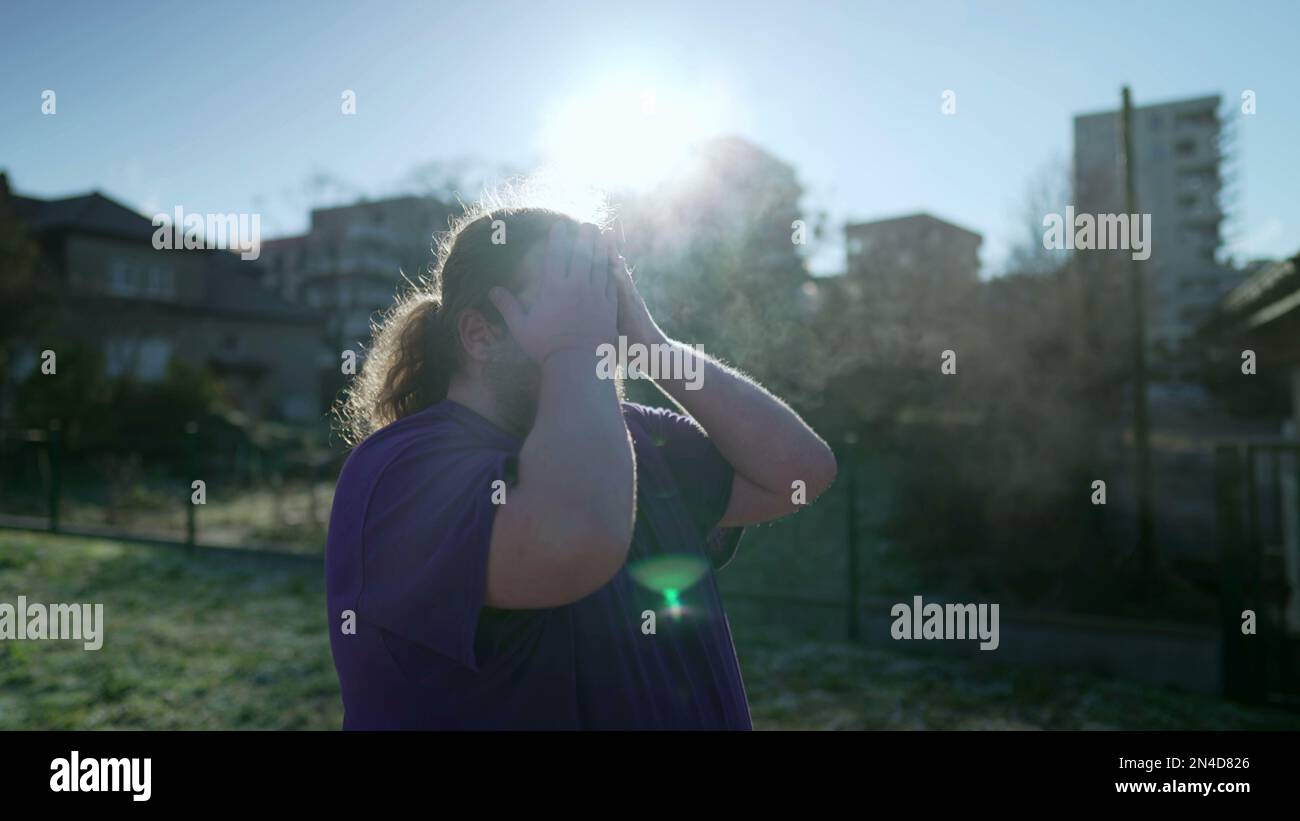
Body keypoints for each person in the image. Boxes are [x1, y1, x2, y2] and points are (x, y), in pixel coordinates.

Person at [325, 198, 836, 729]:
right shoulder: (399, 469)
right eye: (567, 299)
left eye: (601, 293)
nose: (595, 323)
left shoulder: (636, 434)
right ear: (480, 335)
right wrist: (573, 347)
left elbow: (800, 473)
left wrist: (651, 345)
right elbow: (576, 541)